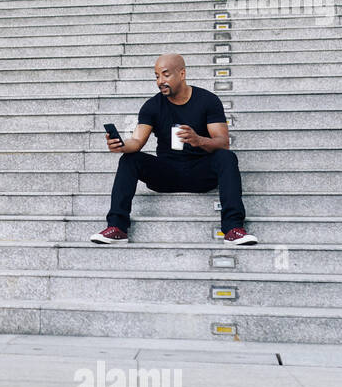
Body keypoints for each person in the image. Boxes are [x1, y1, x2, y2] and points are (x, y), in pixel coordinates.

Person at [90, 53, 258, 246]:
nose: (160, 81)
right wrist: (120, 145)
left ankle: (233, 228)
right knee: (130, 159)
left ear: (182, 74)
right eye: (156, 76)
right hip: (167, 173)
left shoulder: (208, 100)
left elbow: (223, 141)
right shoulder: (152, 106)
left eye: (166, 75)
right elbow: (137, 140)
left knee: (227, 157)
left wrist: (199, 140)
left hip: (200, 173)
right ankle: (117, 228)